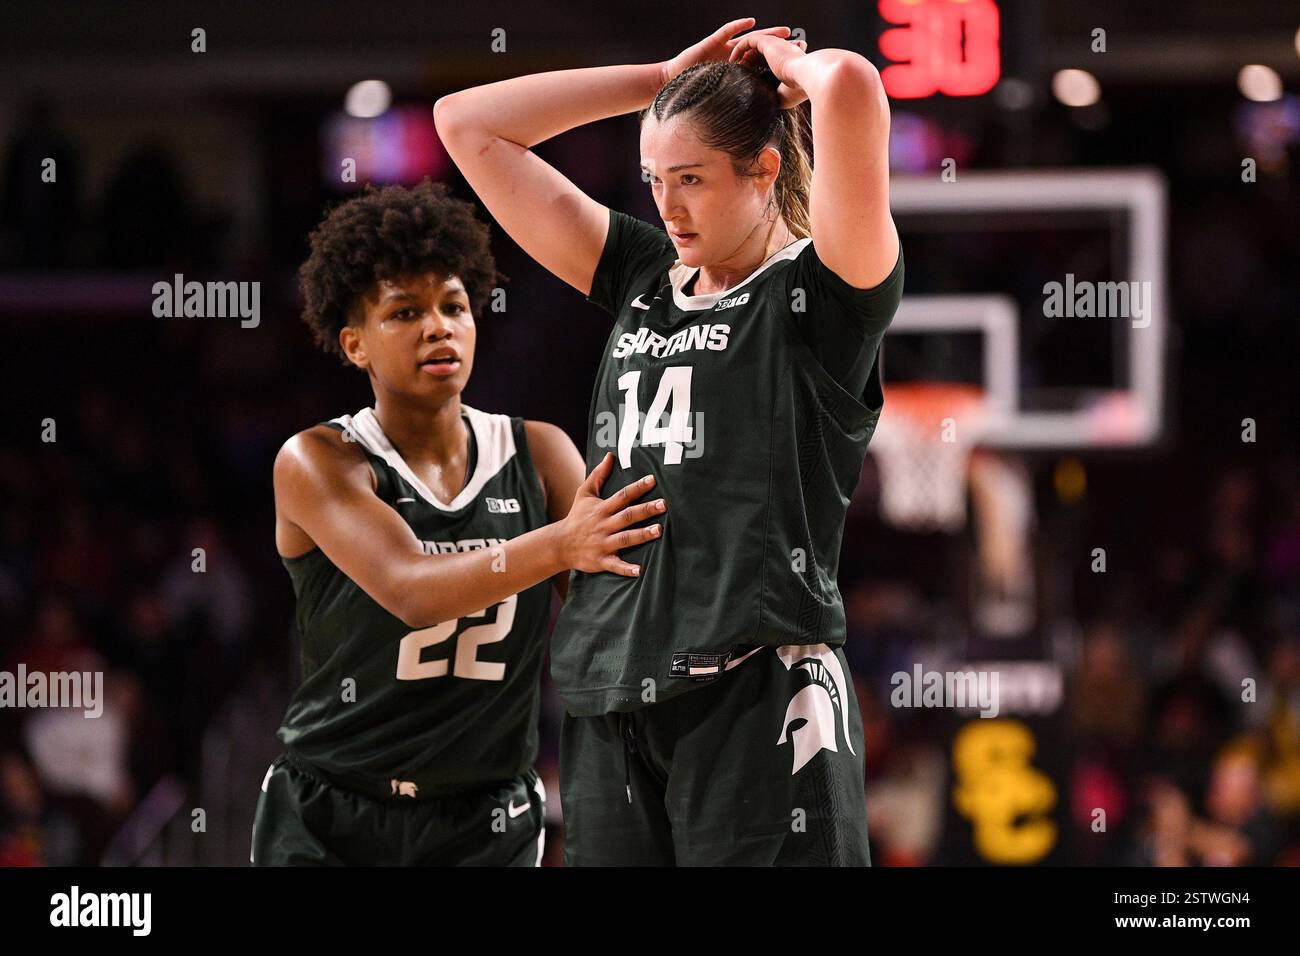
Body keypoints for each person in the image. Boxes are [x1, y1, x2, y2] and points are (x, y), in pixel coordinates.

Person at [435, 18, 902, 865]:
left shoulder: (823, 296)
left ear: (764, 169)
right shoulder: (644, 276)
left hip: (757, 686)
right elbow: (467, 125)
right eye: (654, 178)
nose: (666, 205)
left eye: (691, 178)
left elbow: (855, 89)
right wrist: (657, 77)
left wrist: (794, 70)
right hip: (611, 690)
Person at [250, 181, 664, 865]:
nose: (438, 327)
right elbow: (412, 589)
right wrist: (559, 542)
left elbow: (613, 614)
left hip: (485, 818)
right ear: (354, 344)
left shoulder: (539, 452)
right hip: (332, 811)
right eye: (404, 312)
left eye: (453, 306)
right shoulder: (319, 459)